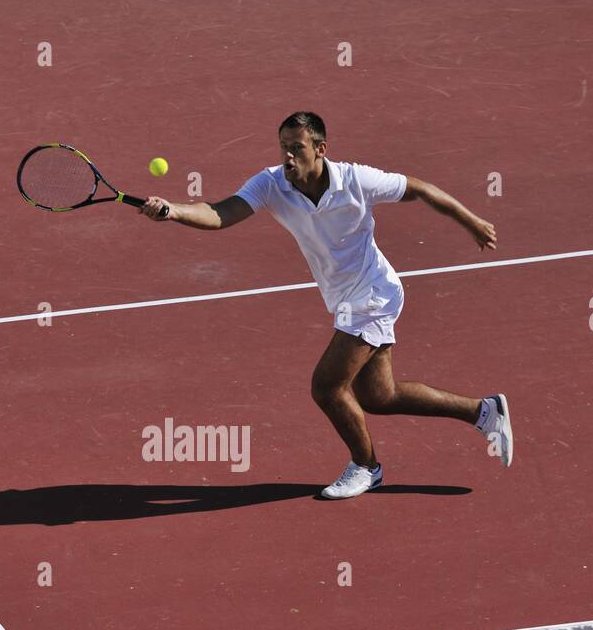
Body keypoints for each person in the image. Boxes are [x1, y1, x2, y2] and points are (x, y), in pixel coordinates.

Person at [140, 110, 512, 498]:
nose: (287, 156)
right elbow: (221, 213)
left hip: (373, 294)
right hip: (345, 299)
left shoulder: (356, 179)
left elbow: (417, 187)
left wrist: (472, 222)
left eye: (296, 148)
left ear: (320, 149)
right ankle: (484, 412)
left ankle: (367, 467)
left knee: (327, 387)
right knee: (378, 397)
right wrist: (175, 211)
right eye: (283, 147)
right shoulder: (271, 184)